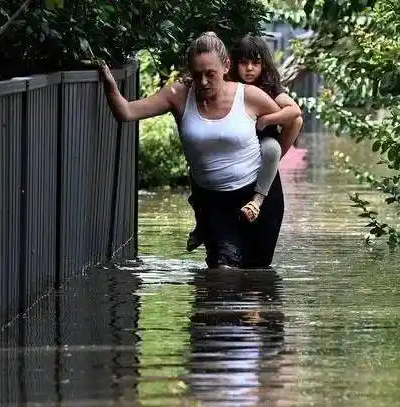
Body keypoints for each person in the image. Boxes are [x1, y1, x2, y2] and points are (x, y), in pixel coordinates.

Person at [96, 31, 286, 269]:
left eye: (210, 74)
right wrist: (107, 79)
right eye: (197, 75)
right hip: (213, 201)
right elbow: (125, 112)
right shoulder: (178, 94)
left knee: (256, 273)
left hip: (259, 197)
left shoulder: (249, 95)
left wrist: (279, 153)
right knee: (222, 270)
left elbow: (289, 121)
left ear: (226, 66)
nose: (204, 82)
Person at [186, 34, 304, 251]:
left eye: (256, 63)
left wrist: (267, 120)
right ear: (232, 64)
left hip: (261, 144)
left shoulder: (268, 88)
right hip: (225, 157)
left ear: (264, 65)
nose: (249, 69)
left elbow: (295, 112)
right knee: (196, 166)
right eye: (244, 63)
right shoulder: (228, 85)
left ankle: (258, 201)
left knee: (272, 149)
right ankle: (200, 224)